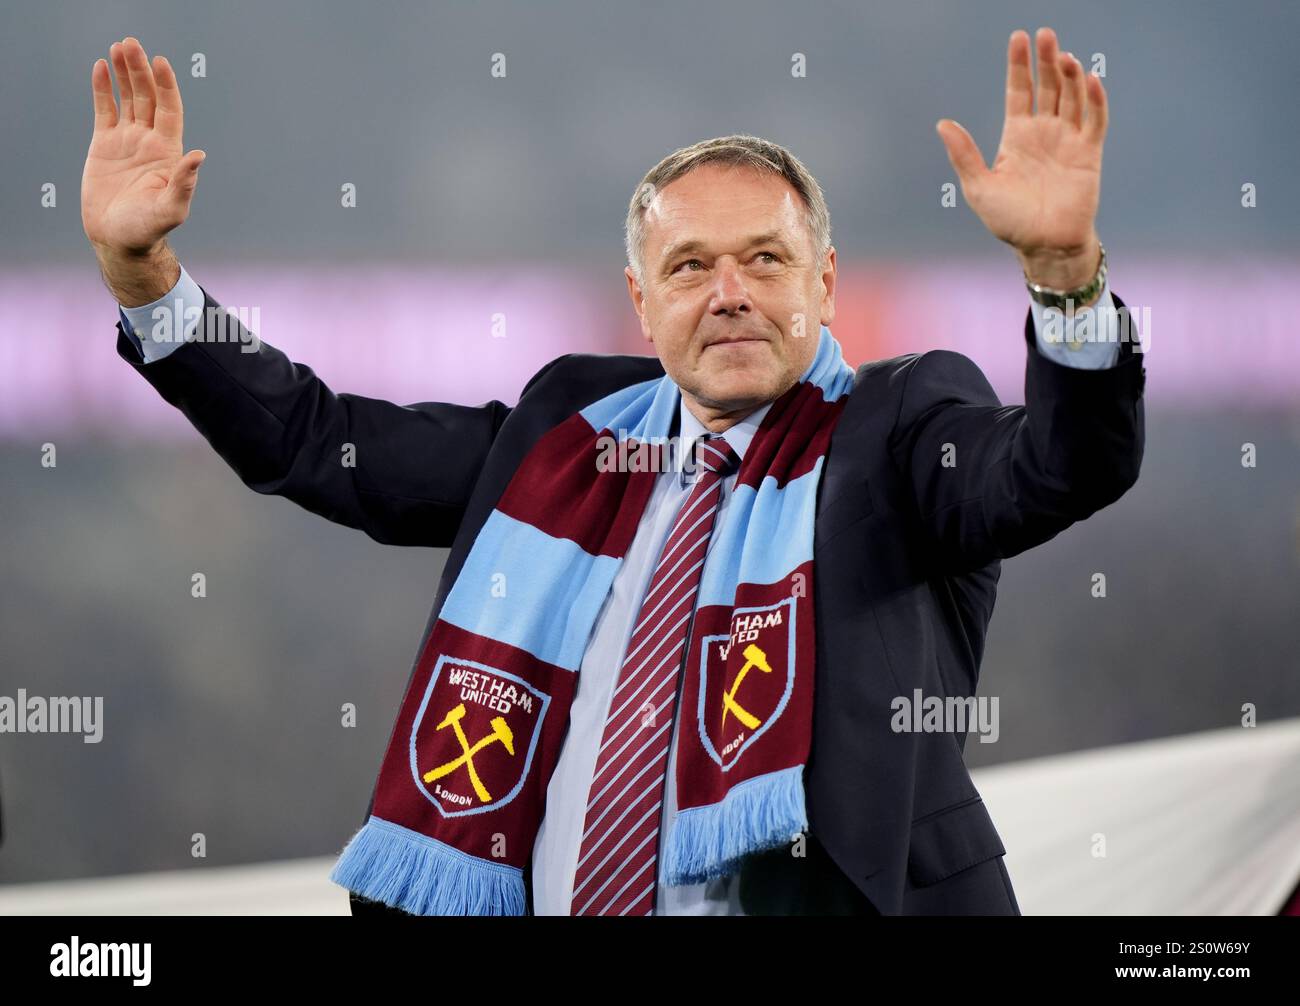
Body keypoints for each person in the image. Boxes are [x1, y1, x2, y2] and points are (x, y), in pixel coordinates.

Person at [81, 28, 1145, 916]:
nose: (728, 291)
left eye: (764, 259)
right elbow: (321, 442)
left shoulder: (896, 428)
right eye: (689, 266)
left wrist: (1064, 281)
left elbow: (1057, 468)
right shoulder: (567, 432)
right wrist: (148, 281)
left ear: (822, 281)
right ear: (642, 304)